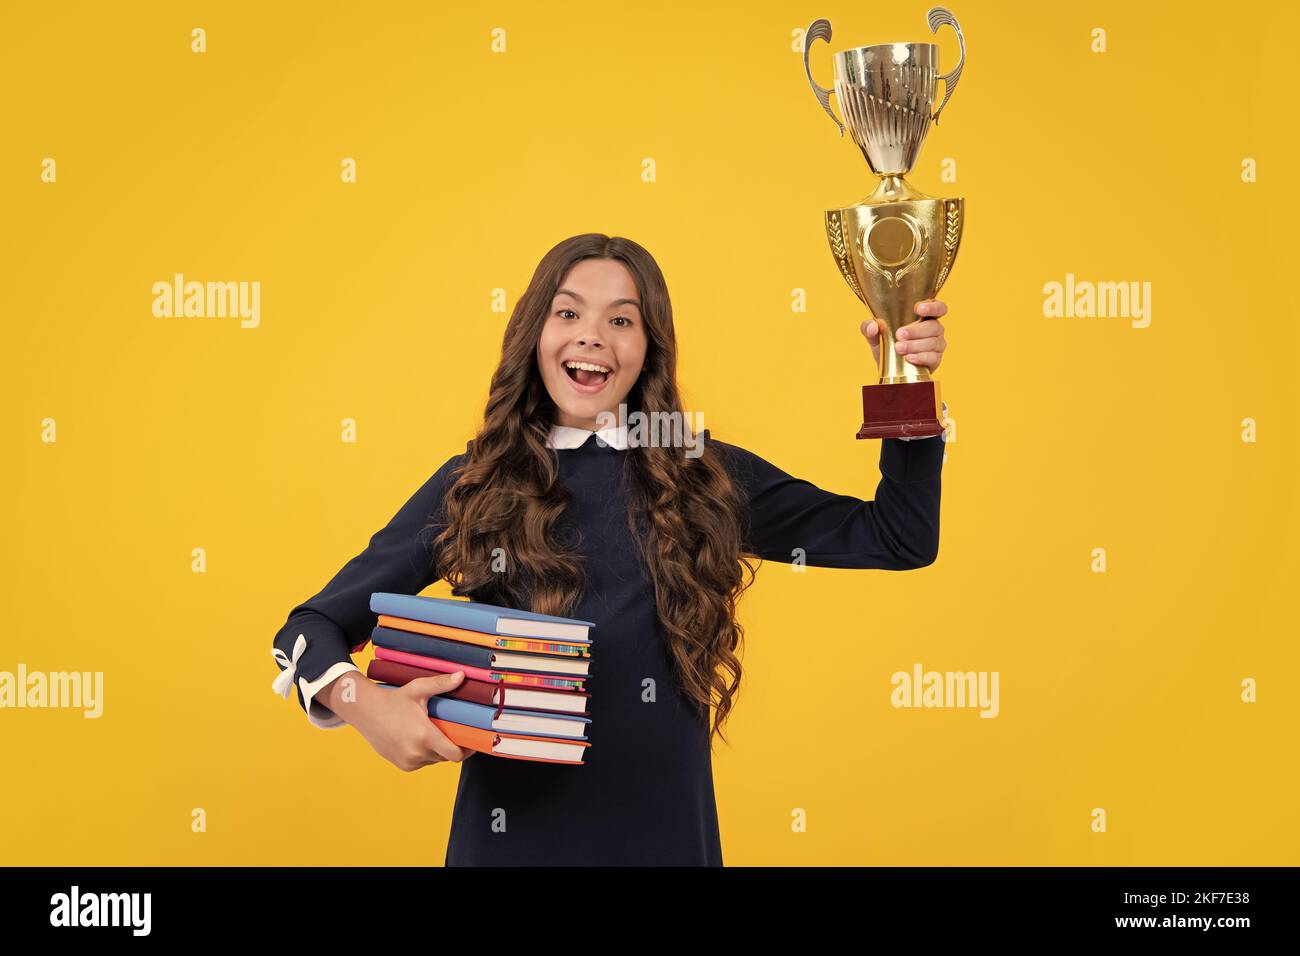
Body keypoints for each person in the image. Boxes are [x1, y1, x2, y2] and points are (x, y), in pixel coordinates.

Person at [270, 233, 950, 865]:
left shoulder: (702, 472)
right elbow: (309, 628)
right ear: (534, 334)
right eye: (568, 314)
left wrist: (907, 383)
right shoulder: (473, 484)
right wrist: (364, 704)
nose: (592, 336)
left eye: (621, 320)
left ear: (650, 347)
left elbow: (897, 538)